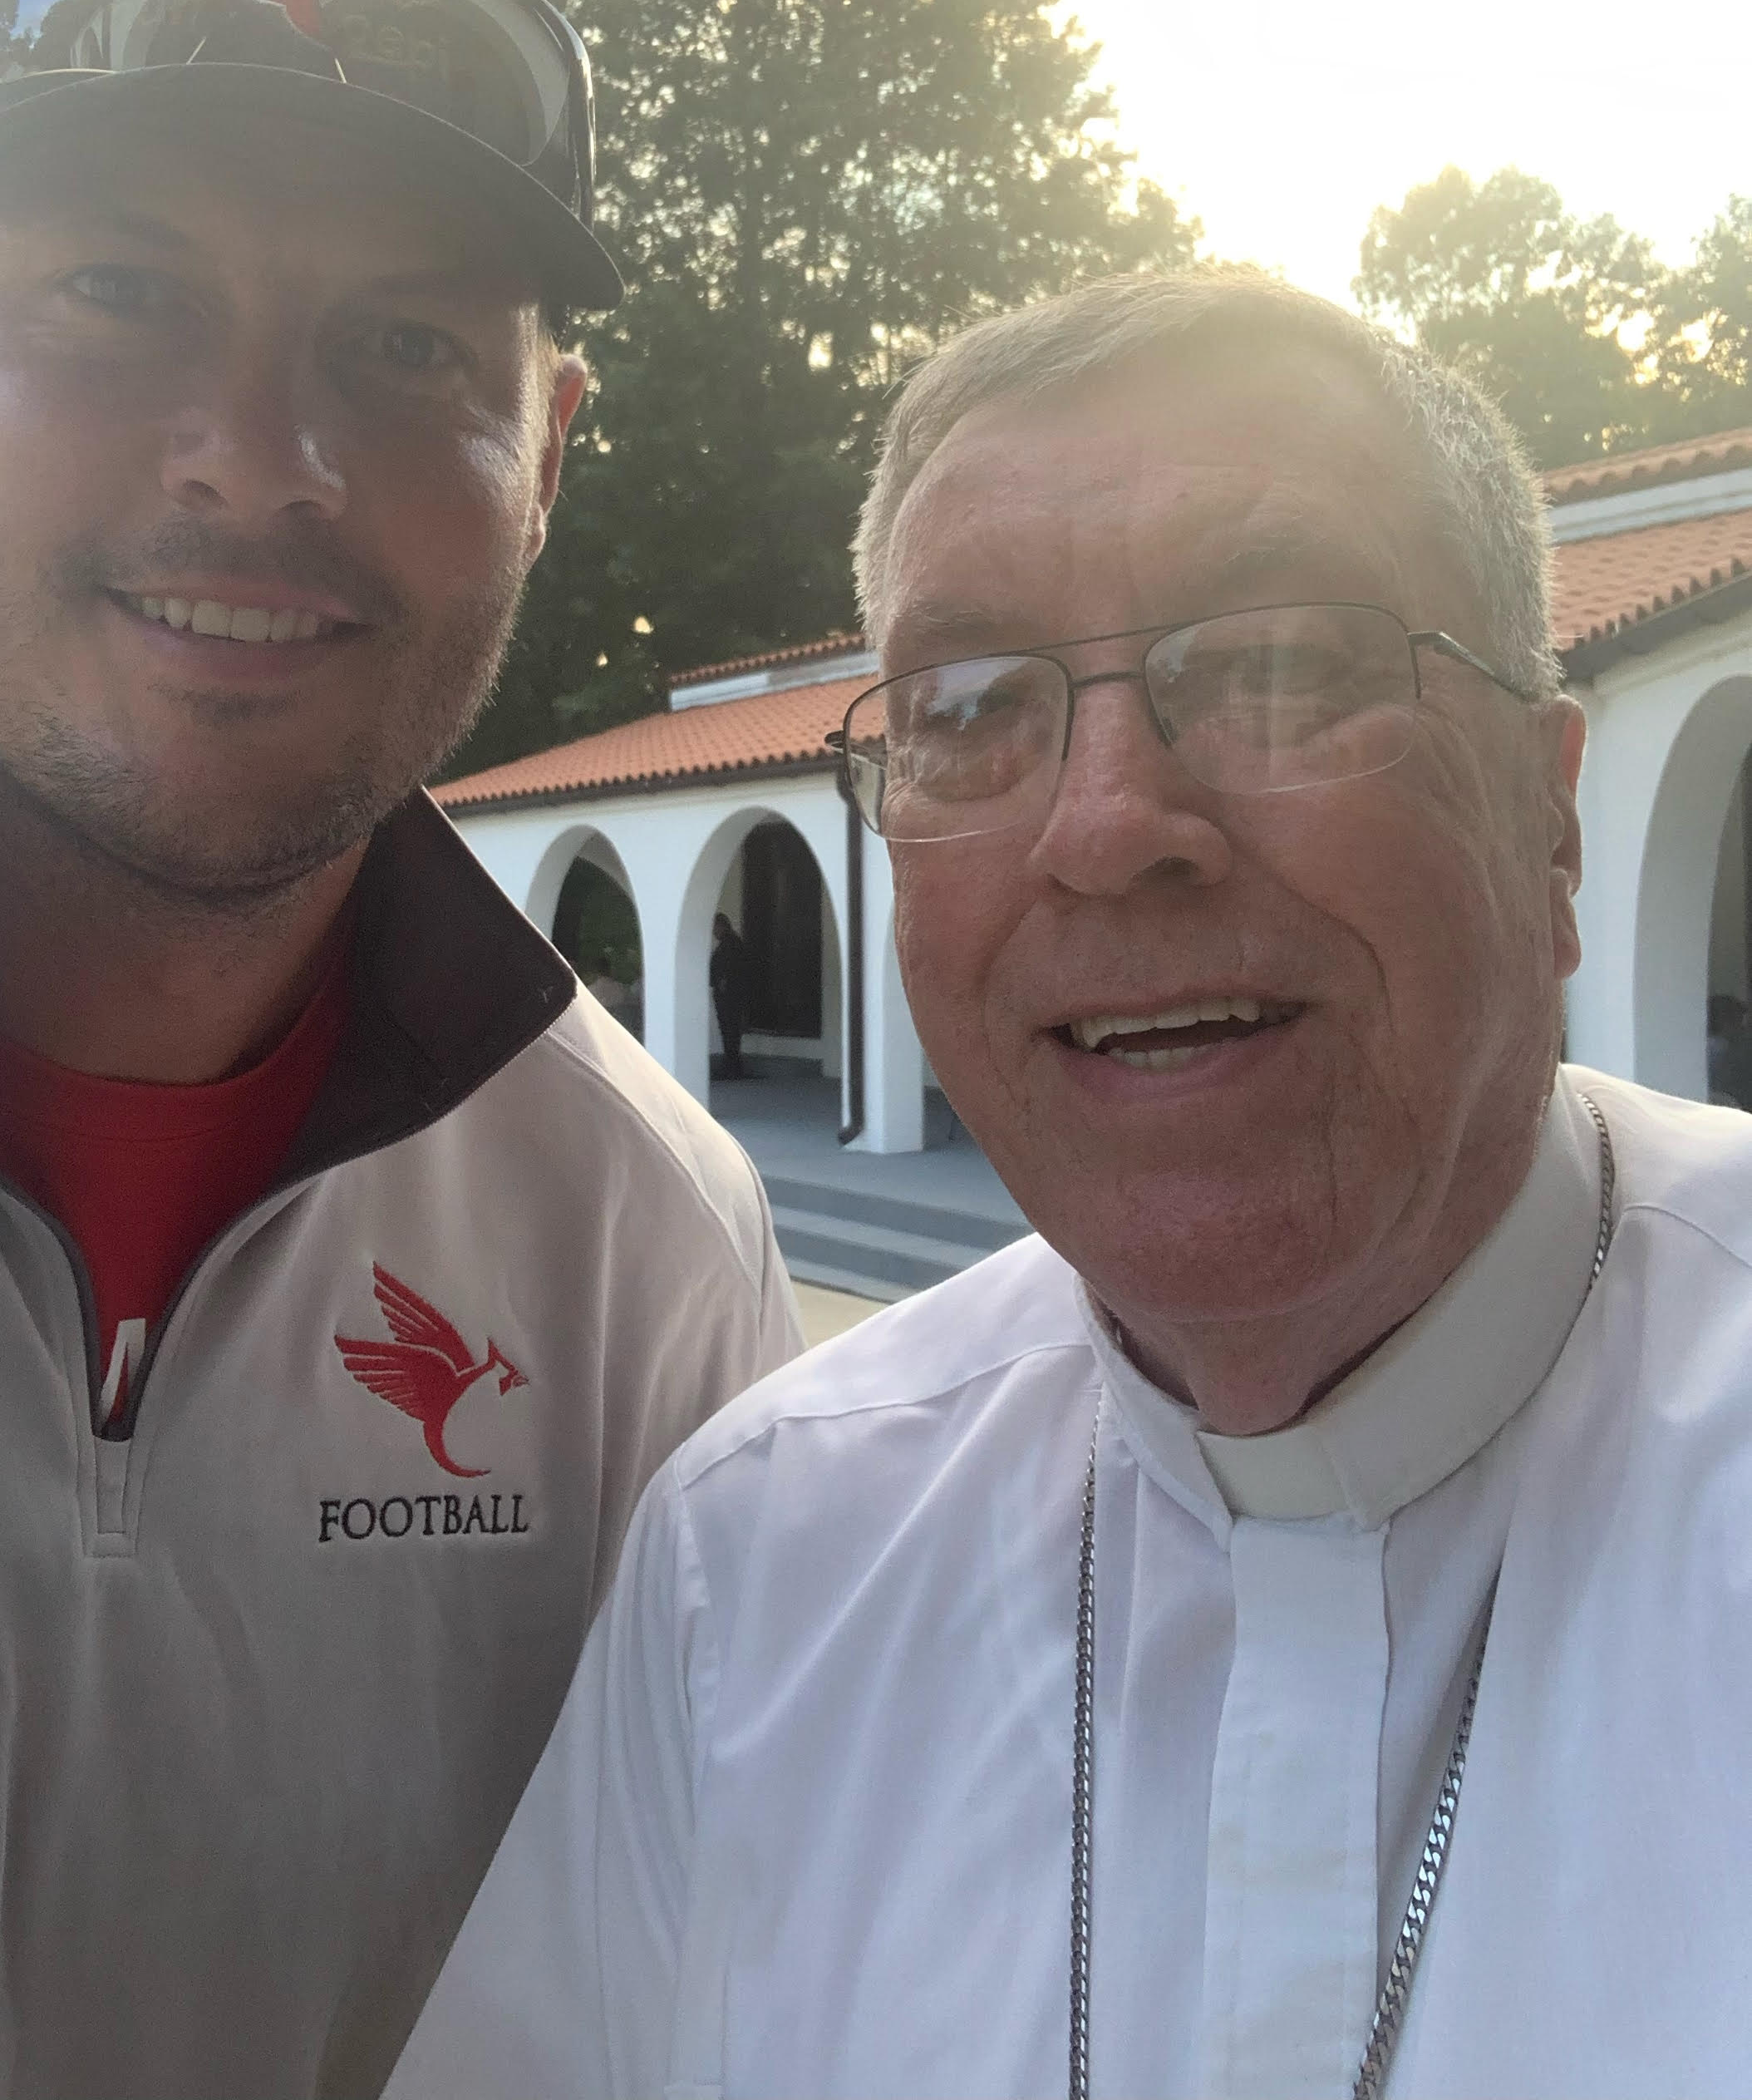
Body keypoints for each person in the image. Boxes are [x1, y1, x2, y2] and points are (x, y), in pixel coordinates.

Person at [390, 270, 1752, 2100]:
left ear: (1549, 810)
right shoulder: (760, 1556)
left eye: (1282, 664)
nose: (1108, 825)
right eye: (967, 704)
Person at [0, 0, 799, 2100]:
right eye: (117, 291)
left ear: (545, 456)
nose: (262, 464)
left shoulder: (641, 1257)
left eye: (406, 349)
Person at [710, 909, 750, 1077]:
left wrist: (723, 982)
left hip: (730, 997)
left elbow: (731, 969)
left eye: (715, 928)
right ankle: (731, 1065)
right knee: (729, 1031)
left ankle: (732, 1067)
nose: (714, 932)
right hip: (728, 996)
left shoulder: (731, 945)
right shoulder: (729, 944)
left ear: (722, 927)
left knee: (731, 1031)